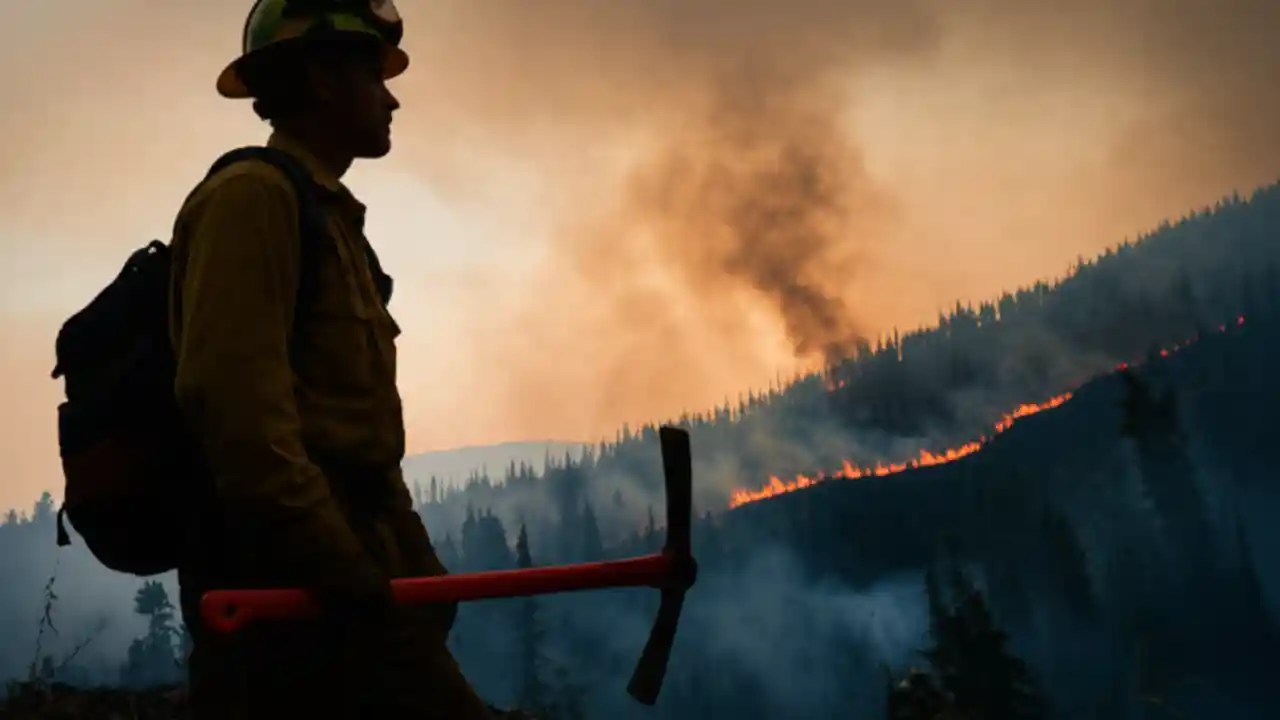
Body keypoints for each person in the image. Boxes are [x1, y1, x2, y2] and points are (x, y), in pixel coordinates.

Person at [168, 1, 500, 716]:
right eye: (373, 77)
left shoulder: (328, 216)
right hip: (282, 587)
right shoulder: (252, 201)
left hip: (348, 569)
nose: (392, 98)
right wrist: (338, 567)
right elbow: (236, 413)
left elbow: (363, 434)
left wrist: (410, 557)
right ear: (322, 79)